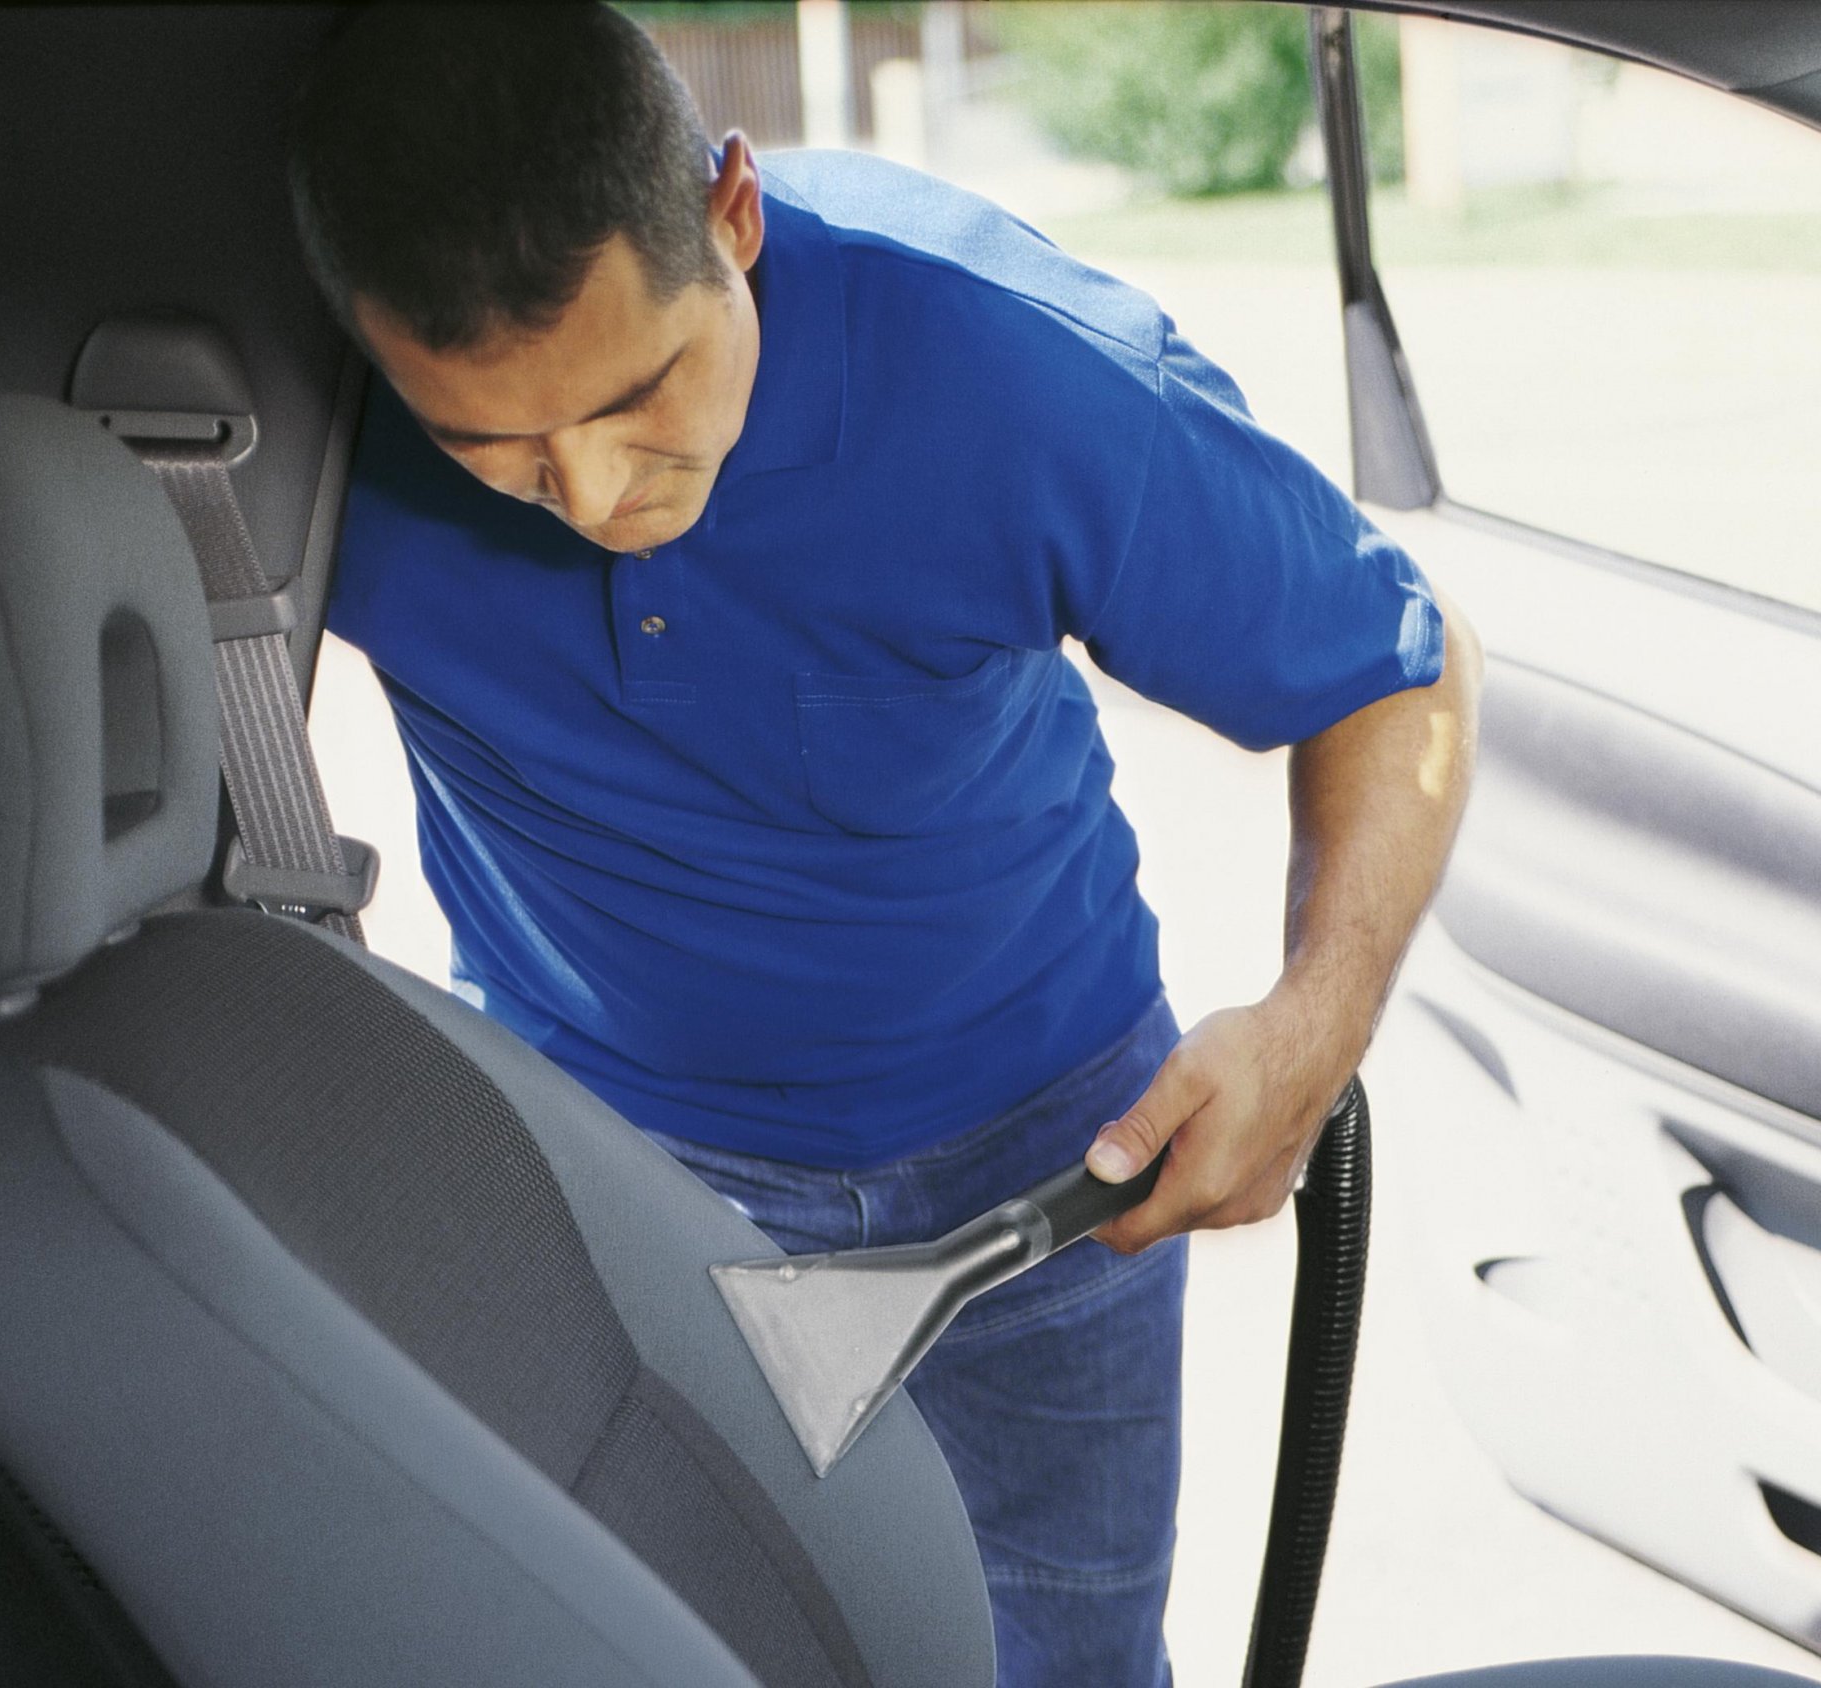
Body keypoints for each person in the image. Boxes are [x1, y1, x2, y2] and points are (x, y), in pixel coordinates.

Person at [292, 6, 1478, 1682]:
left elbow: (1399, 670)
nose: (585, 487)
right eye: (488, 443)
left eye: (641, 392)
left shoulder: (1009, 366)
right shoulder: (292, 419)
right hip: (626, 1196)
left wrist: (1316, 1020)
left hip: (1059, 1190)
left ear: (735, 217)